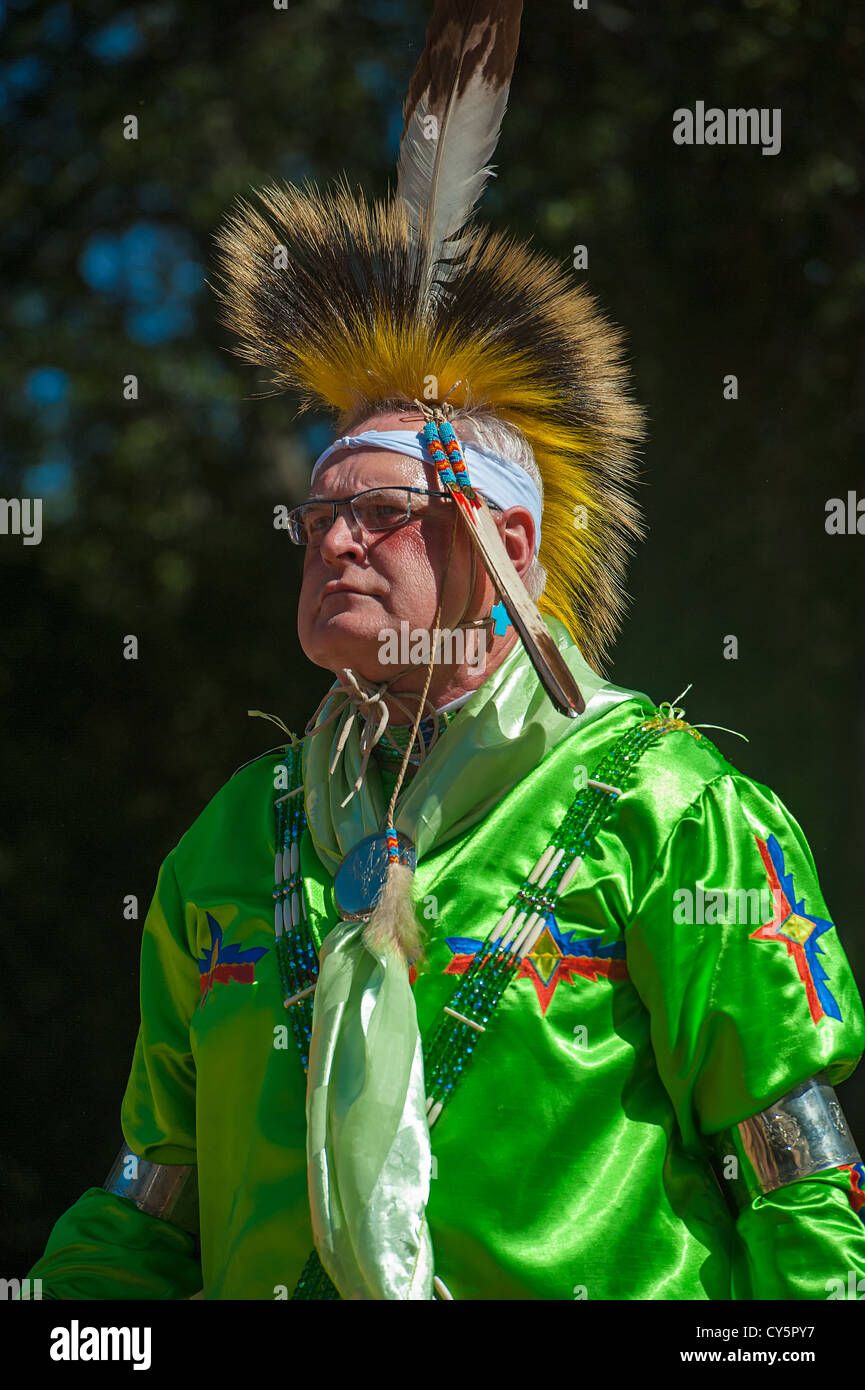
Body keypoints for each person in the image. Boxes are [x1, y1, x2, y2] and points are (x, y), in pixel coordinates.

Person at [25, 0, 865, 1301]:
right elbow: (148, 1208)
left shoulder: (667, 808)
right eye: (316, 514)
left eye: (384, 512)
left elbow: (804, 1191)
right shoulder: (233, 840)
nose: (334, 542)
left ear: (510, 549)